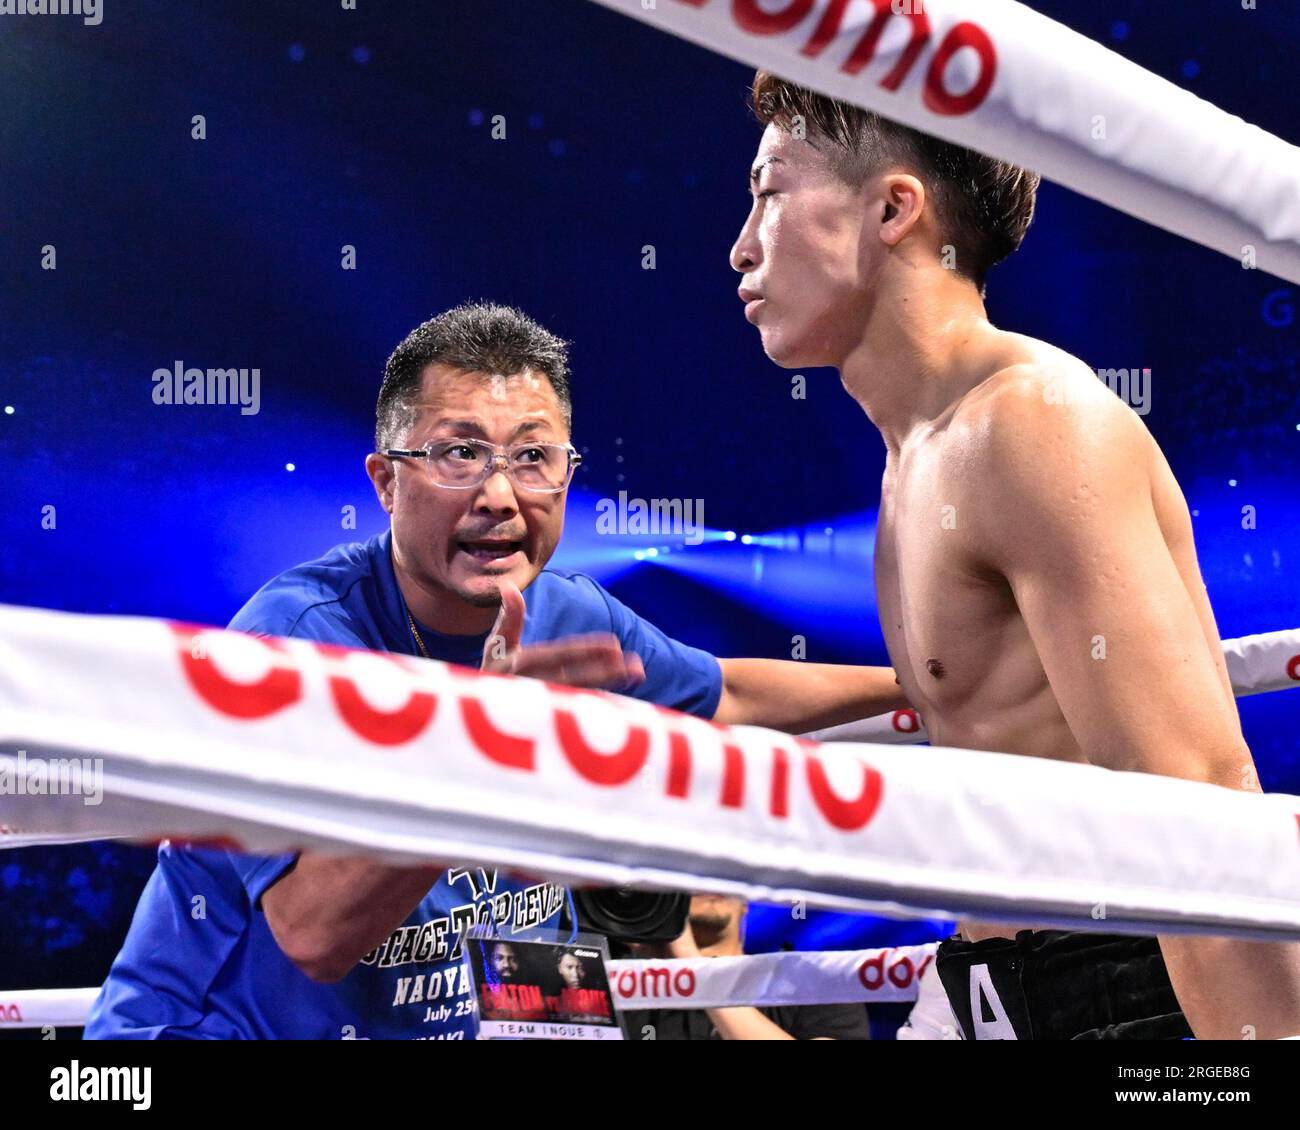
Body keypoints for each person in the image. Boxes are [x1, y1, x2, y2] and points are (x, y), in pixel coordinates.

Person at [86, 302, 908, 1040]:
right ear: (385, 481)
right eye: (460, 454)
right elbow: (314, 934)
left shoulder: (567, 612)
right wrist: (484, 742)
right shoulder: (297, 642)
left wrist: (924, 688)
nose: (500, 495)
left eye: (532, 457)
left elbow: (723, 694)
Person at [728, 70, 1300, 1040]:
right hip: (991, 979)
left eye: (769, 191)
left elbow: (1199, 800)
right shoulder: (915, 454)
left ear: (892, 209)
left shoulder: (1029, 426)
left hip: (1130, 976)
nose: (742, 245)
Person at [620, 895, 871, 1040]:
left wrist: (690, 960)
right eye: (694, 870)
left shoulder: (814, 982)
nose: (710, 881)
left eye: (725, 870)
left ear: (746, 898)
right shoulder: (623, 983)